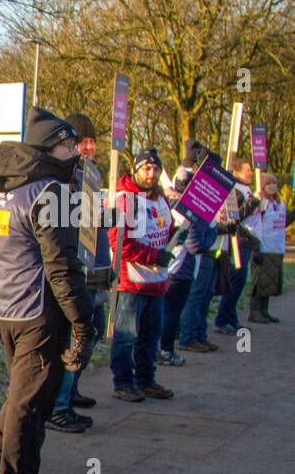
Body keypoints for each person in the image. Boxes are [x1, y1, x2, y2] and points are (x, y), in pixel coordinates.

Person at [0, 107, 94, 474]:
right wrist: (83, 322)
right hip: (39, 314)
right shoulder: (52, 192)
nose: (76, 151)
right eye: (69, 144)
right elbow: (62, 267)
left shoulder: (3, 189)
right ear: (49, 148)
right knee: (31, 406)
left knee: (21, 398)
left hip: (3, 311)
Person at [46, 112, 108, 433]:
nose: (89, 148)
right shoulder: (65, 179)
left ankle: (70, 393)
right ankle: (58, 406)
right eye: (83, 142)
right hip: (74, 272)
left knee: (91, 333)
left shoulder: (90, 176)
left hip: (93, 270)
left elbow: (95, 226)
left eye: (93, 142)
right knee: (72, 338)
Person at [108, 147, 175, 402]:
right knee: (126, 336)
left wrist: (175, 238)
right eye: (146, 168)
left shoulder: (160, 199)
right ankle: (123, 382)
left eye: (156, 169)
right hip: (131, 282)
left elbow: (165, 231)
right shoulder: (124, 199)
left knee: (151, 335)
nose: (151, 173)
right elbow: (119, 243)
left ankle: (146, 380)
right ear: (136, 169)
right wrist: (154, 256)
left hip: (156, 281)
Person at [175, 140, 230, 353]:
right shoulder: (193, 185)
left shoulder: (211, 188)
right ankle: (188, 336)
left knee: (206, 295)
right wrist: (215, 229)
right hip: (200, 250)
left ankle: (199, 334)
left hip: (212, 248)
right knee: (197, 295)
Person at [213, 158, 261, 335]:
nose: (251, 173)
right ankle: (221, 320)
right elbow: (235, 216)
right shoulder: (234, 190)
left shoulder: (247, 189)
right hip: (239, 241)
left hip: (249, 242)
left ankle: (232, 319)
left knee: (239, 283)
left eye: (251, 170)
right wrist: (254, 202)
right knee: (235, 282)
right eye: (247, 170)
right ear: (237, 172)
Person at [247, 172, 286, 323]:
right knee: (260, 281)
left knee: (270, 281)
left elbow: (282, 222)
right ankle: (254, 311)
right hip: (264, 247)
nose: (272, 186)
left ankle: (264, 311)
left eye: (274, 183)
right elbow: (254, 224)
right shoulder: (261, 202)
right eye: (268, 184)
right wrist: (256, 248)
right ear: (262, 186)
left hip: (276, 248)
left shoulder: (278, 202)